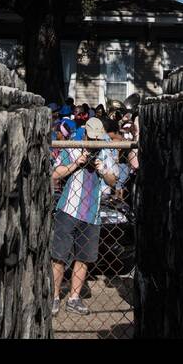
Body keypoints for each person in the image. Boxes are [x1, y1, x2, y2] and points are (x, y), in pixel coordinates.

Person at [50, 116, 117, 316]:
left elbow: (113, 180)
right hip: (68, 209)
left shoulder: (106, 149)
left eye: (98, 138)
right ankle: (53, 297)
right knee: (59, 256)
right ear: (85, 132)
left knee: (83, 258)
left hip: (92, 213)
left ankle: (74, 298)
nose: (95, 141)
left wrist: (103, 170)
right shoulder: (72, 145)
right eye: (92, 137)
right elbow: (55, 173)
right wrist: (76, 164)